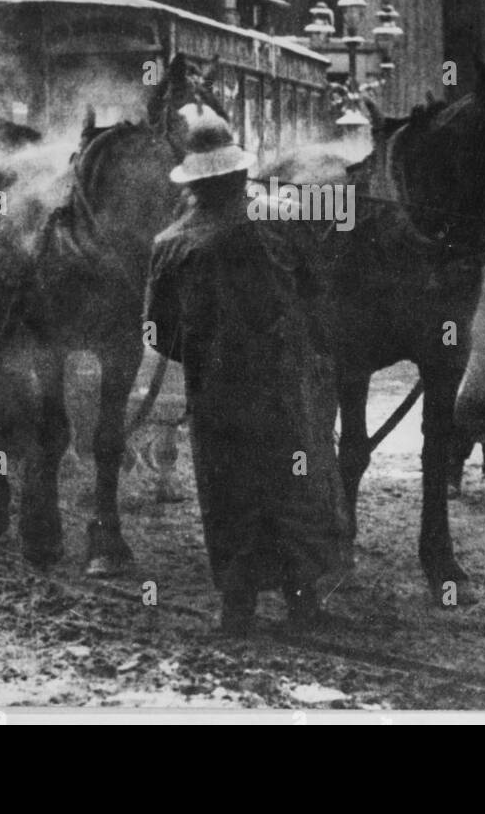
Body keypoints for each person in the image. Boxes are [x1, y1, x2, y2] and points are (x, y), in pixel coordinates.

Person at [144, 107, 351, 634]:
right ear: (238, 174)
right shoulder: (281, 222)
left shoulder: (169, 245)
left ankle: (237, 607)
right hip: (285, 384)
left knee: (227, 492)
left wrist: (205, 359)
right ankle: (304, 602)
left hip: (217, 393)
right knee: (296, 488)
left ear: (194, 181)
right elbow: (317, 291)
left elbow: (158, 330)